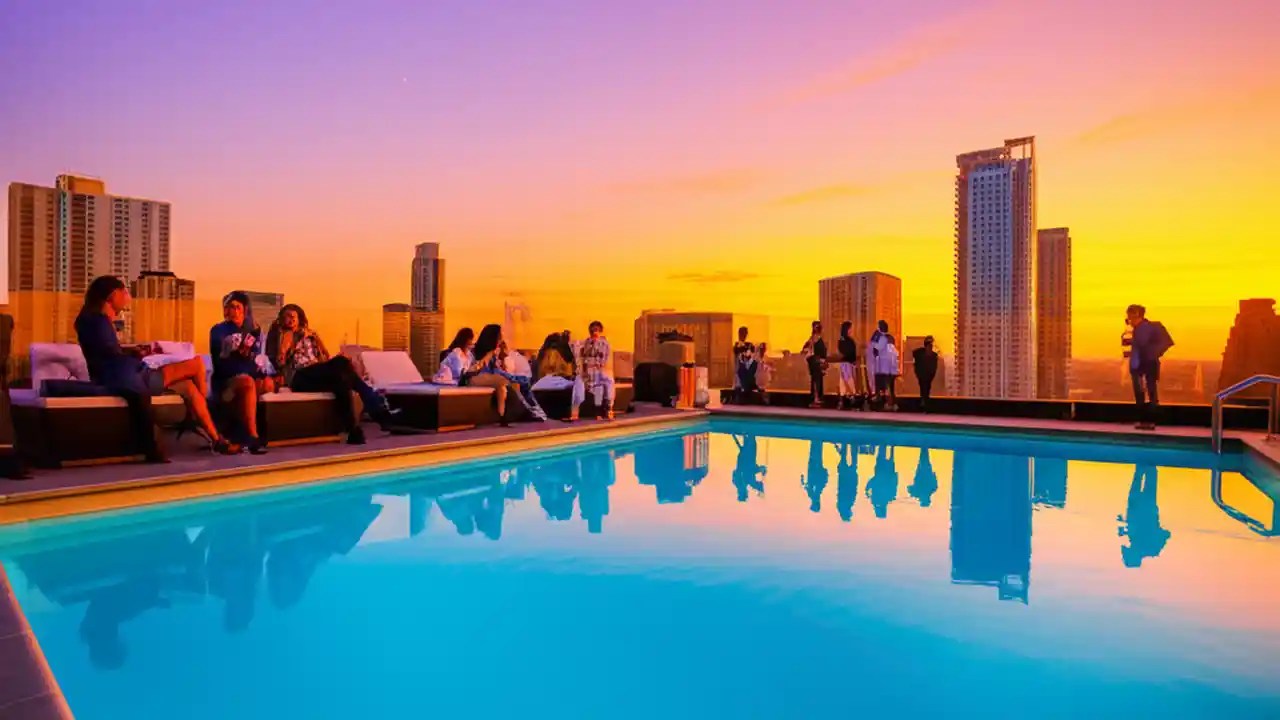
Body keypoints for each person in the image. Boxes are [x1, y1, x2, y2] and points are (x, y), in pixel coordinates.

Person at [75, 276, 238, 459]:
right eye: (125, 292)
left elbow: (108, 353)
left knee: (189, 388)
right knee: (196, 364)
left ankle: (216, 440)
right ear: (113, 295)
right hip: (130, 379)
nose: (127, 297)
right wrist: (137, 356)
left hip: (121, 376)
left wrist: (134, 351)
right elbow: (112, 358)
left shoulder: (92, 321)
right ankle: (208, 418)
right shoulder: (100, 322)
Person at [265, 304, 398, 445]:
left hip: (317, 371)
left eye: (293, 316)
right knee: (342, 366)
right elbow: (279, 362)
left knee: (342, 379)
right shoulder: (279, 335)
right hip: (299, 376)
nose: (290, 319)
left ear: (299, 319)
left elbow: (325, 357)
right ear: (281, 319)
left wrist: (315, 339)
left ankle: (353, 431)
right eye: (287, 316)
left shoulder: (310, 335)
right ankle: (379, 413)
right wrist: (292, 341)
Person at [210, 291, 274, 454]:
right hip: (226, 383)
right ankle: (253, 437)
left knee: (266, 383)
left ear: (244, 310)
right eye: (229, 307)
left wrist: (260, 371)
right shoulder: (219, 330)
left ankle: (243, 433)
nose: (233, 311)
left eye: (237, 307)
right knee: (247, 382)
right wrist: (231, 350)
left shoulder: (253, 331)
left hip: (248, 377)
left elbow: (255, 361)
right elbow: (220, 363)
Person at [467, 324, 547, 426]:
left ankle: (526, 411)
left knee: (516, 383)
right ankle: (530, 410)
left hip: (493, 375)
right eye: (500, 335)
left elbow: (496, 368)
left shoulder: (495, 351)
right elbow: (480, 368)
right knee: (509, 380)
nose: (502, 338)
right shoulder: (479, 351)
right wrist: (490, 355)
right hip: (480, 376)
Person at [1124, 304, 1173, 430]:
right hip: (1136, 366)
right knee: (1139, 393)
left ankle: (1151, 420)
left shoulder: (1153, 327)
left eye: (1130, 317)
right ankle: (1142, 420)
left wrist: (1152, 353)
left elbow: (1167, 342)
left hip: (1149, 364)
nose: (1129, 320)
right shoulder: (1135, 330)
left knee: (1151, 392)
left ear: (1137, 315)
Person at [572, 321, 617, 421]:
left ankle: (609, 408)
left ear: (600, 331)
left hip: (599, 371)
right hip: (588, 371)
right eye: (592, 330)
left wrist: (600, 367)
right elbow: (582, 358)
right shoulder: (586, 343)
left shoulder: (605, 344)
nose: (594, 332)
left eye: (596, 330)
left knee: (607, 382)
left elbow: (605, 359)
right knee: (579, 381)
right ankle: (575, 410)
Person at [868, 320, 899, 411]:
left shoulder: (882, 338)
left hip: (884, 367)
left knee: (886, 386)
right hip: (889, 367)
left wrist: (873, 342)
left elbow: (877, 348)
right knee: (889, 386)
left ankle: (889, 403)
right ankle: (891, 403)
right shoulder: (890, 338)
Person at [801, 321, 828, 409]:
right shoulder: (813, 340)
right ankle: (816, 398)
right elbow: (805, 351)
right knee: (816, 380)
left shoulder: (814, 339)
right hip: (815, 362)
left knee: (817, 379)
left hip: (816, 362)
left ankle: (817, 398)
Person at [912, 336, 939, 413]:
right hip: (922, 375)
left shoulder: (934, 355)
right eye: (929, 345)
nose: (931, 347)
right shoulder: (919, 353)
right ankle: (923, 404)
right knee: (923, 389)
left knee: (926, 390)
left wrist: (932, 375)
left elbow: (934, 367)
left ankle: (925, 405)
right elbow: (914, 355)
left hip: (929, 376)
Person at [836, 321, 858, 411]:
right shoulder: (846, 340)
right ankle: (853, 398)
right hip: (847, 363)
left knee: (843, 382)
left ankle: (842, 402)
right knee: (848, 380)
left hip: (845, 363)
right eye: (850, 328)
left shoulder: (843, 340)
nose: (851, 330)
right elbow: (848, 352)